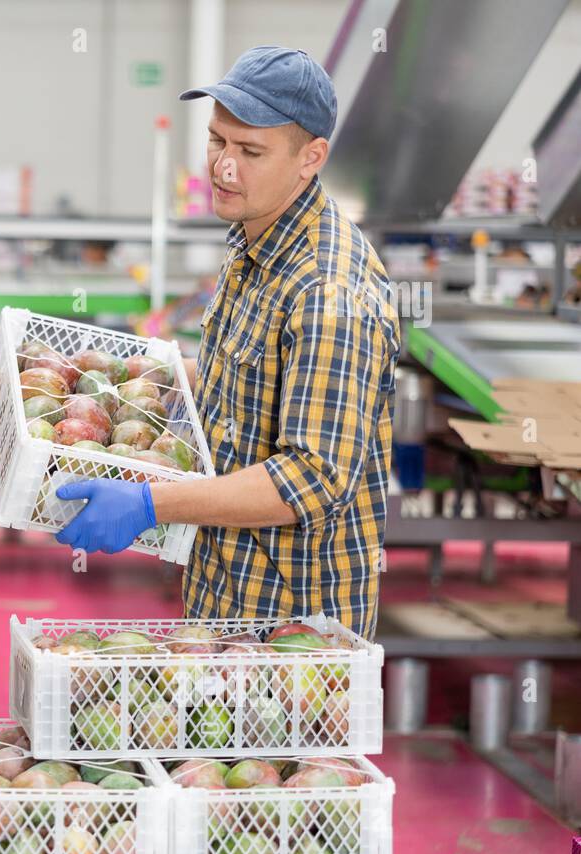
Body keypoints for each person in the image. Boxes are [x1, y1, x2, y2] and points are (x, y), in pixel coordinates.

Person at [54, 46, 400, 640]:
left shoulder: (328, 291)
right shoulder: (252, 240)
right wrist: (141, 377)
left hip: (293, 630)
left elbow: (310, 477)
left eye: (251, 151)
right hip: (222, 589)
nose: (223, 168)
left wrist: (148, 505)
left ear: (310, 158)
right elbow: (246, 382)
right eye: (218, 141)